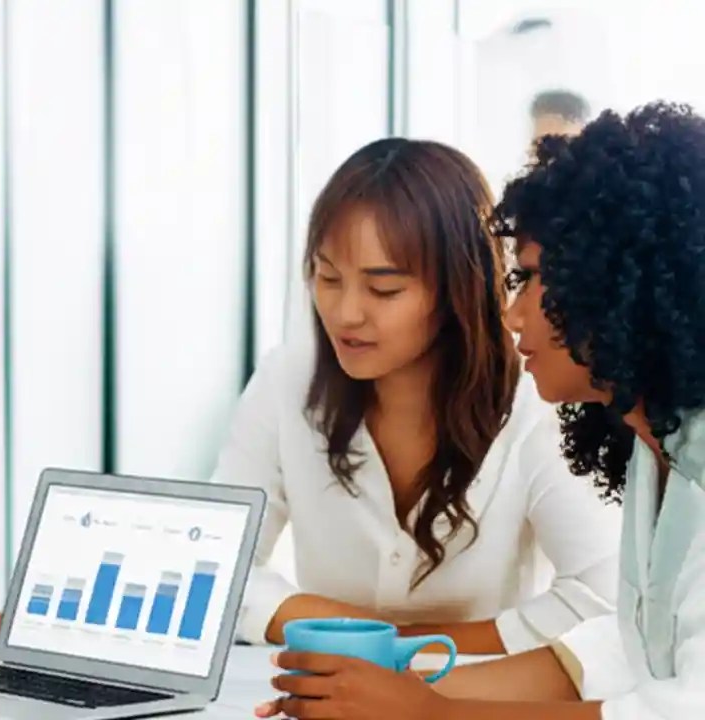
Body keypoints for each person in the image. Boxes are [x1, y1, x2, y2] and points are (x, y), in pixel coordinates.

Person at [258, 102, 705, 719]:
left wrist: (427, 713)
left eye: (531, 279)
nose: (513, 314)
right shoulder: (658, 451)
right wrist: (380, 695)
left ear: (619, 288)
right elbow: (630, 647)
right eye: (327, 278)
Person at [213, 138, 618, 655]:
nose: (346, 314)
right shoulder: (288, 379)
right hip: (320, 689)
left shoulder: (538, 400)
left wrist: (392, 649)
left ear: (458, 289)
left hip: (471, 691)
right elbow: (217, 565)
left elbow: (598, 601)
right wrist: (368, 643)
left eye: (384, 290)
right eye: (328, 277)